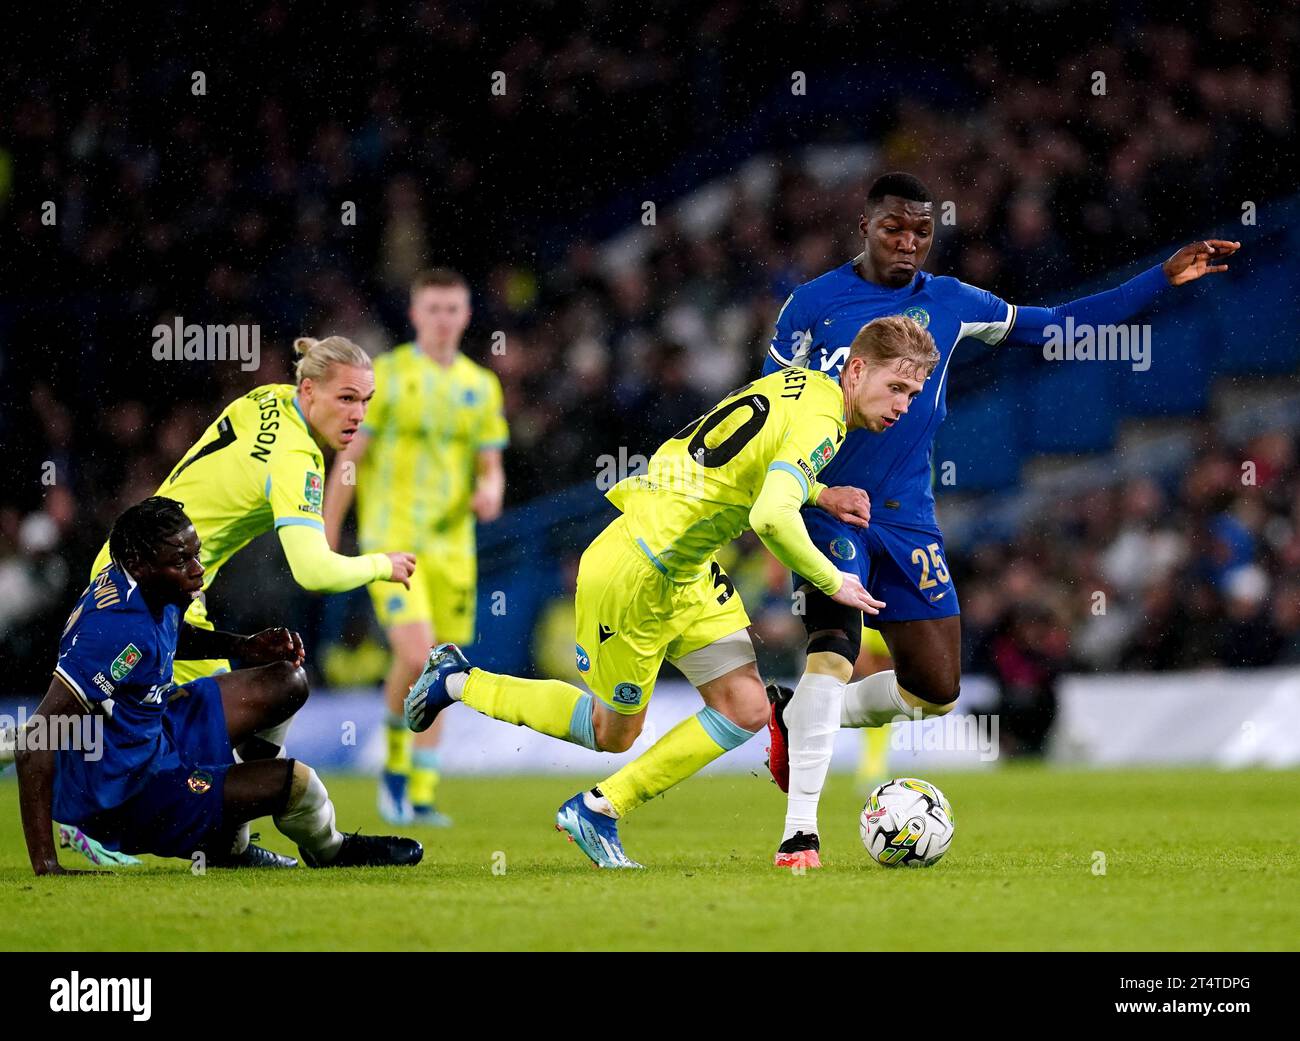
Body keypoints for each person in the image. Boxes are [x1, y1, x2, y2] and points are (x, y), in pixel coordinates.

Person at [763, 171, 1241, 869]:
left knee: (934, 691)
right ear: (864, 226)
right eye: (894, 227)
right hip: (826, 502)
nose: (908, 242)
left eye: (921, 231)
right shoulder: (812, 305)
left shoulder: (952, 303)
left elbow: (1058, 329)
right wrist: (792, 491)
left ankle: (795, 711)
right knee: (833, 650)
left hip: (909, 519)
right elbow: (764, 400)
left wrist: (1156, 281)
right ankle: (799, 832)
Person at [404, 315, 939, 867]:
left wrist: (820, 493)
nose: (903, 405)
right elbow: (772, 517)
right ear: (856, 370)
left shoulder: (799, 386)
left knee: (747, 706)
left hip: (685, 568)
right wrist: (835, 582)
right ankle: (458, 680)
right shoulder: (826, 421)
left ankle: (599, 807)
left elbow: (745, 461)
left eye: (914, 393)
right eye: (895, 387)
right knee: (611, 733)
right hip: (638, 568)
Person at [74, 335, 417, 863]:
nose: (358, 415)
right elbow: (313, 569)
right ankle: (100, 824)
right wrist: (383, 565)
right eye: (347, 399)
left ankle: (224, 838)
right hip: (152, 591)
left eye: (366, 401)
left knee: (262, 686)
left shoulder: (267, 398)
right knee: (176, 740)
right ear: (309, 389)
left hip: (146, 574)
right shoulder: (298, 457)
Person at [15, 497, 422, 874]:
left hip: (154, 732)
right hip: (131, 792)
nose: (198, 569)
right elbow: (35, 740)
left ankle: (227, 829)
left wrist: (244, 646)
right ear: (141, 564)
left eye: (196, 553)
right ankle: (328, 849)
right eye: (182, 560)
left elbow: (163, 639)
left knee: (287, 679)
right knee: (298, 784)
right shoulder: (115, 630)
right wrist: (46, 865)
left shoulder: (143, 583)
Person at [324, 269, 508, 827]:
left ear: (467, 315)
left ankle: (421, 795)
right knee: (417, 655)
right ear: (414, 313)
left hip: (453, 550)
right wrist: (326, 535)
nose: (443, 319)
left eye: (453, 308)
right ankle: (395, 776)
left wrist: (490, 492)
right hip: (392, 541)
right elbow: (350, 460)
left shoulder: (481, 385)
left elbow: (492, 467)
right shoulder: (388, 377)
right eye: (433, 308)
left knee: (443, 669)